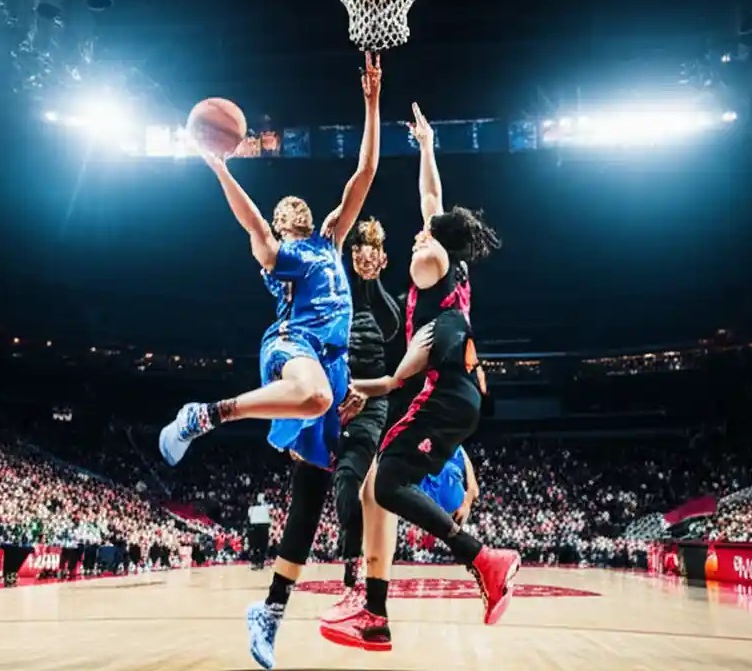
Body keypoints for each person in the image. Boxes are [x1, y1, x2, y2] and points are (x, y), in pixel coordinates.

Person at [158, 53, 383, 670]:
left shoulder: (333, 238)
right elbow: (253, 221)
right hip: (291, 345)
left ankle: (271, 611)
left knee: (310, 499)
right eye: (282, 212)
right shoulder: (278, 255)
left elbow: (364, 171)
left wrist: (370, 100)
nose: (290, 210)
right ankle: (206, 414)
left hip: (332, 370)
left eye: (294, 208)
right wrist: (219, 167)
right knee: (310, 396)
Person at [321, 102, 515, 652]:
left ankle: (483, 558)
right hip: (457, 394)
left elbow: (431, 214)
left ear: (435, 248)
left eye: (423, 239)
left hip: (446, 394)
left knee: (385, 483)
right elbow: (432, 204)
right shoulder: (451, 266)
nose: (416, 239)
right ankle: (374, 613)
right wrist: (427, 147)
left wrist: (370, 389)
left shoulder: (428, 266)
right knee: (374, 487)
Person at [318, 217, 402, 618]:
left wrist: (374, 279)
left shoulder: (388, 309)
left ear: (383, 259)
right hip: (332, 402)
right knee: (337, 487)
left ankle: (352, 573)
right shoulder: (335, 296)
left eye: (373, 253)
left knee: (351, 479)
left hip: (370, 407)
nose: (365, 259)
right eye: (359, 251)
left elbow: (391, 328)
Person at [247, 492, 272, 570]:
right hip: (262, 527)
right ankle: (259, 562)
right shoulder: (266, 507)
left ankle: (257, 562)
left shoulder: (252, 508)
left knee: (257, 547)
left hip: (256, 527)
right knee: (260, 547)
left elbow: (249, 516)